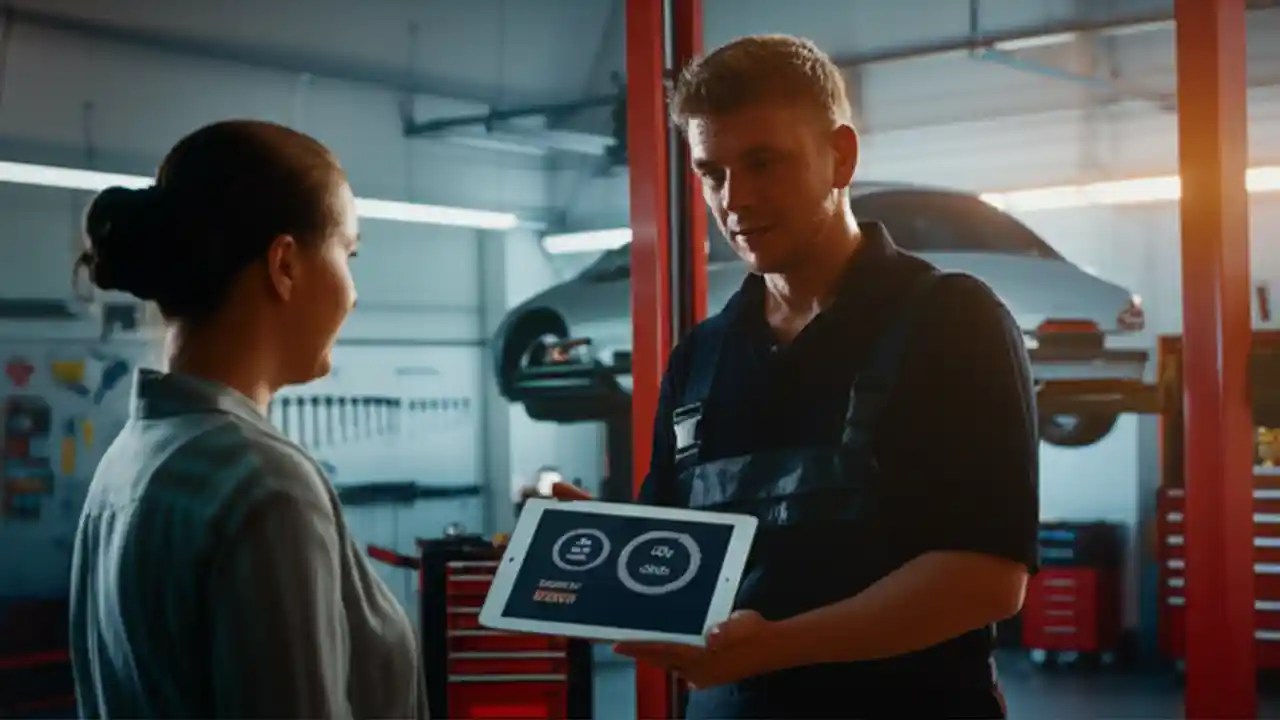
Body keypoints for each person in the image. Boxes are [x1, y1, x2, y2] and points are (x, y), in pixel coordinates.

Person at [537, 35, 1039, 718]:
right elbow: (679, 565)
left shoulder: (953, 323)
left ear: (841, 156)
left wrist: (777, 646)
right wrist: (602, 548)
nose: (733, 199)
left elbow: (984, 579)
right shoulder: (701, 360)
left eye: (763, 162)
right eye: (711, 172)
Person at [67, 120, 428, 719]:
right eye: (348, 253)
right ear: (284, 264)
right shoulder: (265, 484)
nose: (354, 293)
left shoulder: (130, 459)